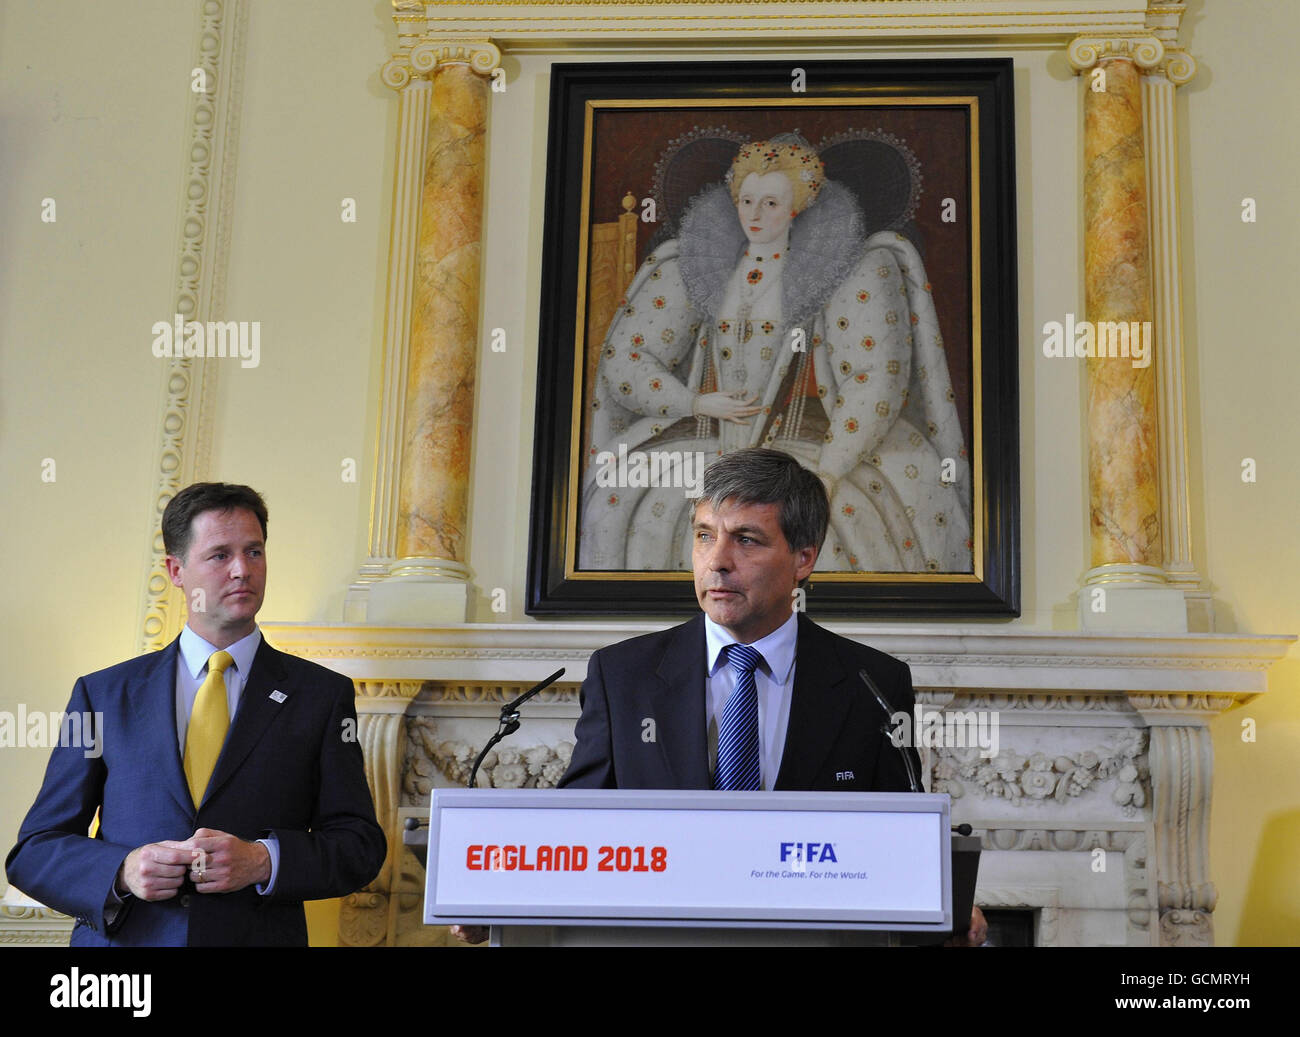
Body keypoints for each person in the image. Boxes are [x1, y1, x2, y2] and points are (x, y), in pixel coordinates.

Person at [453, 449, 985, 944]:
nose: (717, 562)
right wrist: (496, 900)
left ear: (803, 558)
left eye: (747, 540)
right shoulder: (624, 675)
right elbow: (577, 833)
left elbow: (901, 833)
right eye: (705, 536)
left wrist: (945, 898)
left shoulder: (874, 682)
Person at [6, 483, 386, 946]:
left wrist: (263, 860)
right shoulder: (102, 694)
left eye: (254, 552)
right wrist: (121, 872)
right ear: (176, 570)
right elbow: (36, 850)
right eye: (220, 555)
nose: (242, 570)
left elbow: (359, 845)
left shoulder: (322, 696)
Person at [579, 134, 972, 575]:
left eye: (770, 203)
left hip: (806, 446)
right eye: (747, 201)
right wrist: (694, 402)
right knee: (623, 501)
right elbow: (627, 359)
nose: (755, 214)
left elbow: (874, 380)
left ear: (798, 206)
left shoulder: (850, 269)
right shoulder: (691, 265)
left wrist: (830, 470)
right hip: (706, 440)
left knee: (821, 518)